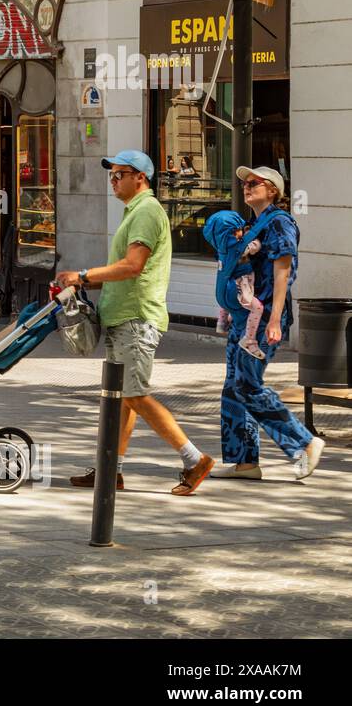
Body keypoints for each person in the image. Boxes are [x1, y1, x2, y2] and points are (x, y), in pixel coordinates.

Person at [57, 149, 215, 495]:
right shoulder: (134, 213)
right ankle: (111, 470)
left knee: (135, 395)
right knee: (122, 398)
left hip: (136, 318)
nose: (113, 181)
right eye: (111, 175)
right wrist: (84, 281)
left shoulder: (145, 213)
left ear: (140, 177)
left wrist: (84, 276)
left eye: (119, 174)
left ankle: (194, 459)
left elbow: (133, 266)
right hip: (123, 317)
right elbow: (123, 272)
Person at [212, 166, 324, 480]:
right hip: (245, 317)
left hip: (264, 318)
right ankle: (245, 462)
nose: (246, 187)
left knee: (248, 384)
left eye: (254, 183)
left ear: (272, 190)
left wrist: (275, 319)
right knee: (234, 385)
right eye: (244, 184)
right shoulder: (252, 224)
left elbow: (283, 272)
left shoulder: (279, 222)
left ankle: (304, 442)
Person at [203, 210, 265, 356]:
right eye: (239, 230)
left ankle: (222, 323)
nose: (241, 232)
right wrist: (254, 237)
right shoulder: (238, 248)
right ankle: (249, 340)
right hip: (239, 287)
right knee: (257, 308)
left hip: (223, 292)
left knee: (228, 305)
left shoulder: (221, 248)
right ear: (232, 232)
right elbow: (256, 246)